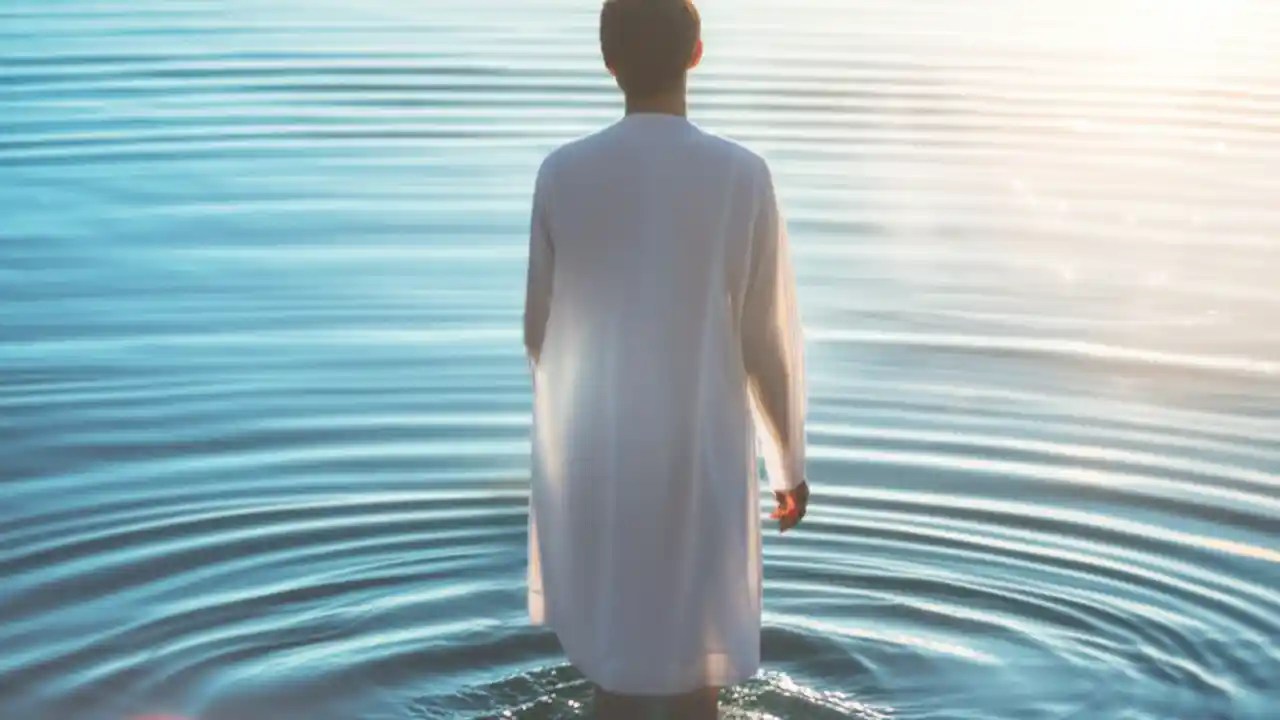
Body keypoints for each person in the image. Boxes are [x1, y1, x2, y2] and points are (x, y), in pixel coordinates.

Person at [522, 0, 808, 717]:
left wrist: (571, 436)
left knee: (612, 666)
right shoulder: (743, 175)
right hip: (702, 450)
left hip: (601, 446)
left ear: (609, 61)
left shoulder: (563, 173)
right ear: (697, 53)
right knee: (695, 668)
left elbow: (539, 333)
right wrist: (789, 467)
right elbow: (765, 343)